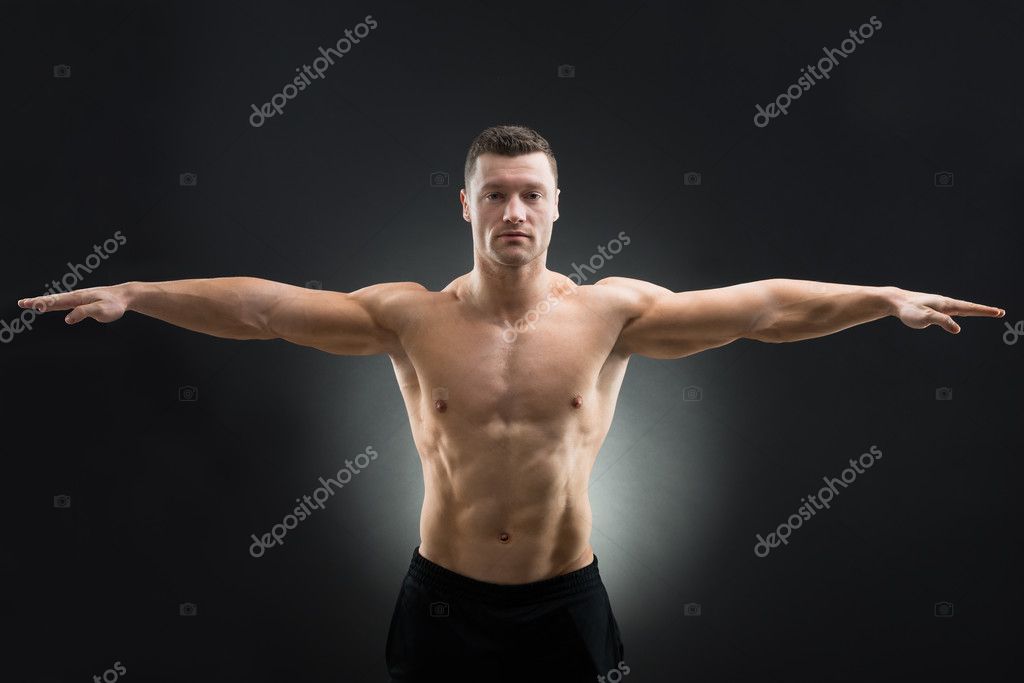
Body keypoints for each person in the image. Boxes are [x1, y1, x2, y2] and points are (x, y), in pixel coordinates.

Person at [17, 125, 1005, 682]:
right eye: (494, 194)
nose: (513, 212)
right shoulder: (405, 316)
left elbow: (762, 310)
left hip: (563, 605)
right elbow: (266, 308)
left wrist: (883, 299)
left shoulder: (614, 312)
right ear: (466, 206)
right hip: (439, 602)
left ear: (558, 206)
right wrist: (137, 294)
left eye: (530, 193)